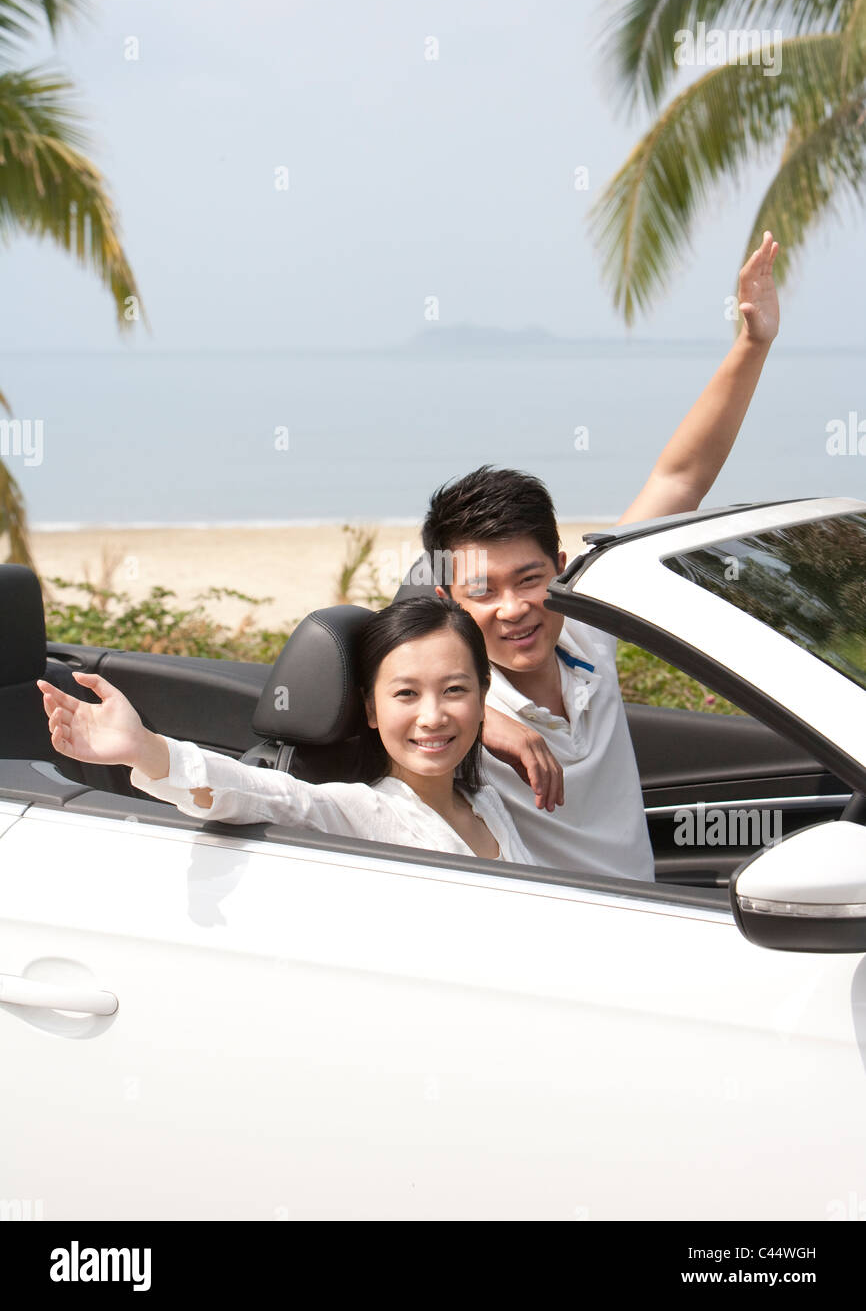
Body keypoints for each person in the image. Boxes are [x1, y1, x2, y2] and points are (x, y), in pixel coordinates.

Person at [420, 232, 782, 882]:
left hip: (647, 914)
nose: (513, 609)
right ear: (447, 601)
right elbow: (352, 675)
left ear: (560, 568)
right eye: (483, 592)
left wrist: (752, 345)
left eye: (529, 579)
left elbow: (680, 480)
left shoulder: (585, 622)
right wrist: (479, 721)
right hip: (565, 943)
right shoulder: (442, 701)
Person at [36, 597, 535, 866]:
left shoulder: (486, 802)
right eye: (406, 694)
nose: (432, 716)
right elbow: (270, 795)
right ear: (370, 710)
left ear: (483, 694)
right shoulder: (365, 812)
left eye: (454, 690)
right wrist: (144, 749)